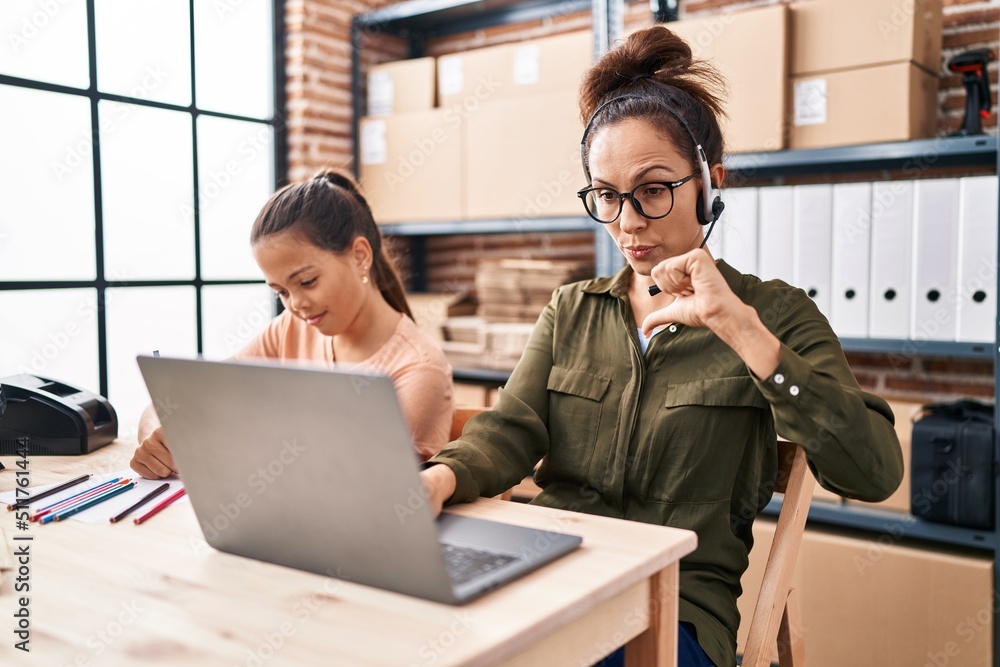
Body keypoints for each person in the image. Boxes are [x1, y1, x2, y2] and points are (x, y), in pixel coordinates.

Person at [418, 26, 903, 667]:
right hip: (555, 579)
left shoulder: (775, 313)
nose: (627, 221)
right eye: (606, 195)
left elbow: (872, 471)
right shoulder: (573, 309)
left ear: (709, 181)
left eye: (651, 189)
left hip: (674, 612)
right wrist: (441, 477)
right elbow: (511, 428)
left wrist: (744, 333)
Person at [131, 170, 455, 479]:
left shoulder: (419, 368)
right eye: (282, 292)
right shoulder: (288, 329)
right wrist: (156, 437)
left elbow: (363, 485)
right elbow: (189, 398)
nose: (296, 304)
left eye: (308, 281)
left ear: (359, 256)